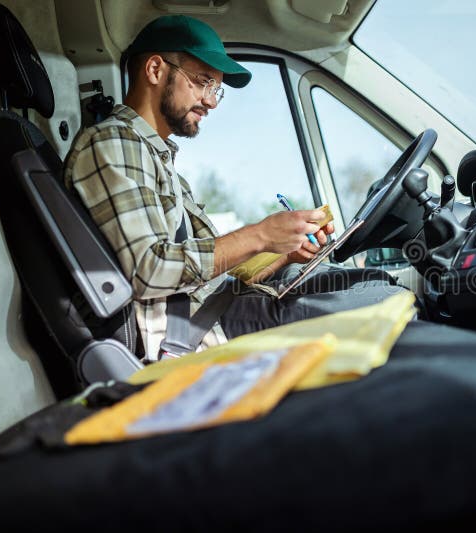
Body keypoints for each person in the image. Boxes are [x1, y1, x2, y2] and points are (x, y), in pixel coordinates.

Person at [63, 15, 400, 361]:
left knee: (373, 285)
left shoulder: (157, 159)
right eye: (203, 82)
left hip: (216, 307)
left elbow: (212, 273)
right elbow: (148, 270)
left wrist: (284, 251)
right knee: (384, 308)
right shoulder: (113, 144)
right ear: (154, 70)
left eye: (216, 90)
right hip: (195, 334)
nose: (211, 102)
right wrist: (259, 235)